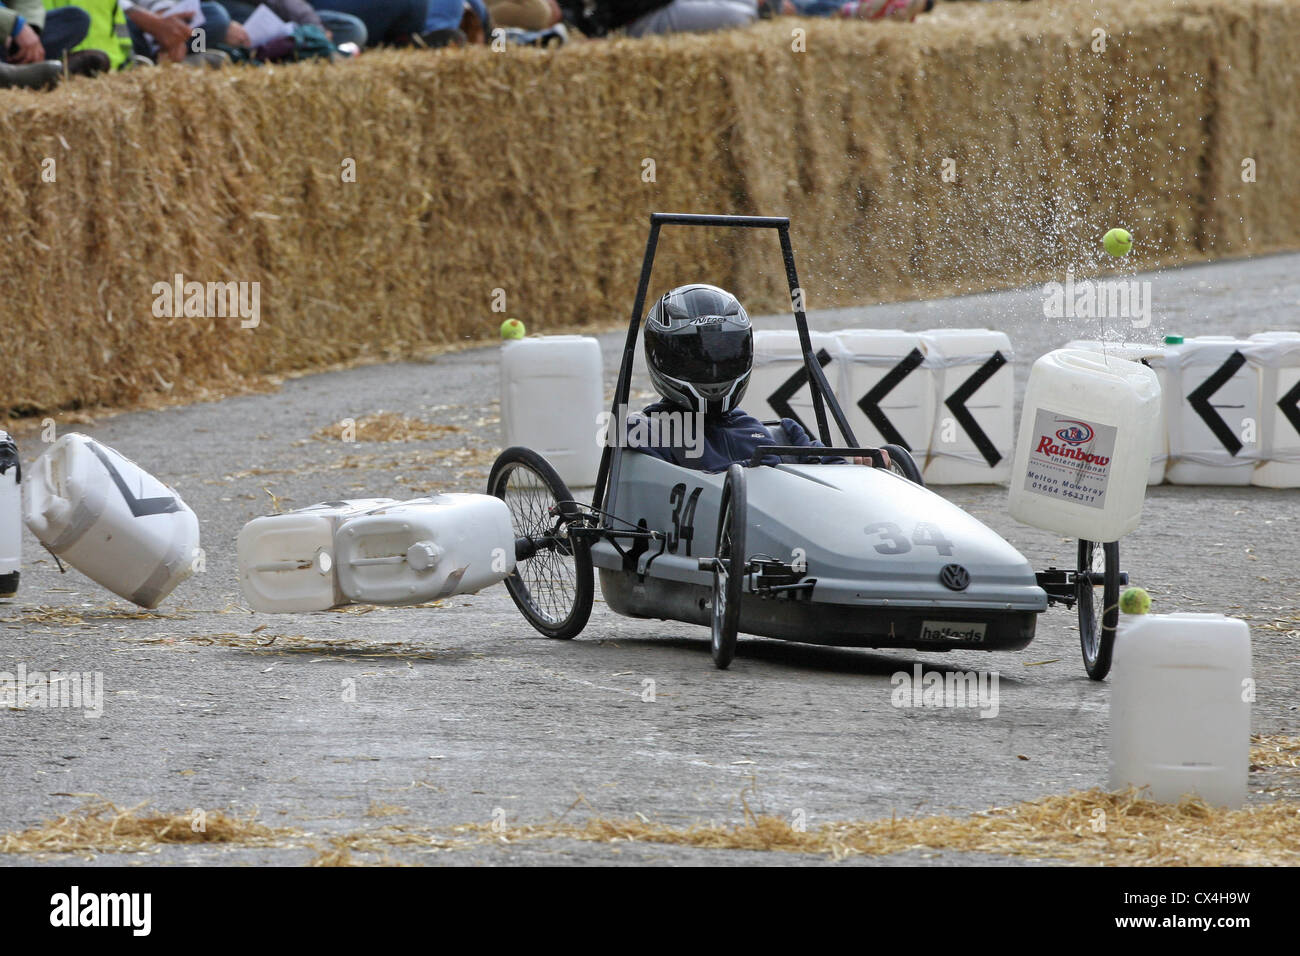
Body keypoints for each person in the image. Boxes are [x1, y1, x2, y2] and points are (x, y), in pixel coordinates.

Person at [630, 283, 890, 472]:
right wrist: (758, 471)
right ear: (660, 358)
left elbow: (834, 481)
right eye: (695, 358)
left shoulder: (785, 435)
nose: (711, 368)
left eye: (725, 353)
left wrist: (861, 469)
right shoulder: (643, 434)